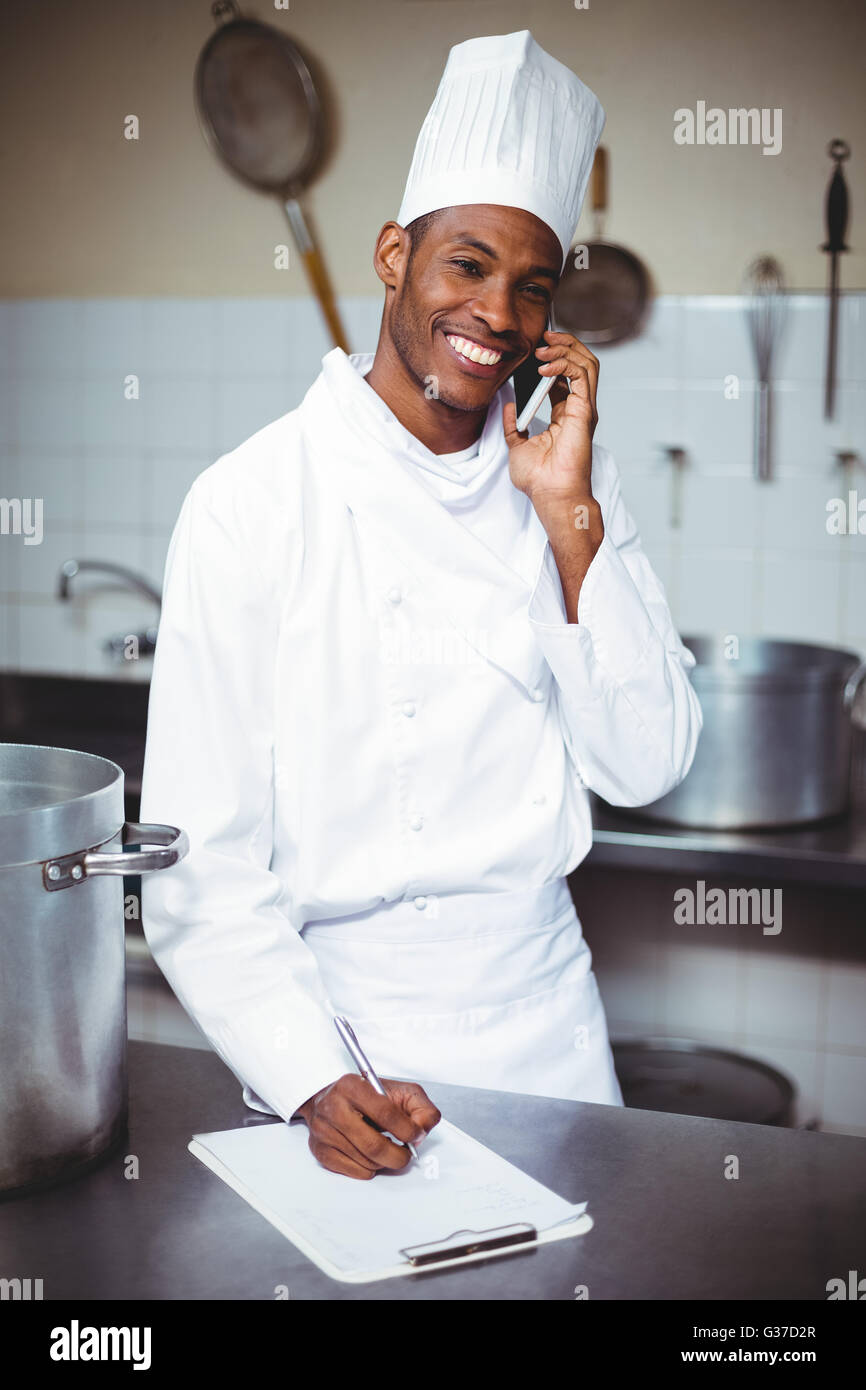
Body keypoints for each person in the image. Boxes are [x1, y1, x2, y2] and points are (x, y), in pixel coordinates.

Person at [140, 30, 702, 1181]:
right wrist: (306, 1073)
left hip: (545, 1033)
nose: (495, 313)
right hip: (337, 1049)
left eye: (529, 286)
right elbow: (202, 862)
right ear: (395, 255)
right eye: (466, 265)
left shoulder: (567, 485)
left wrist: (567, 516)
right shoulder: (251, 501)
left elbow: (647, 764)